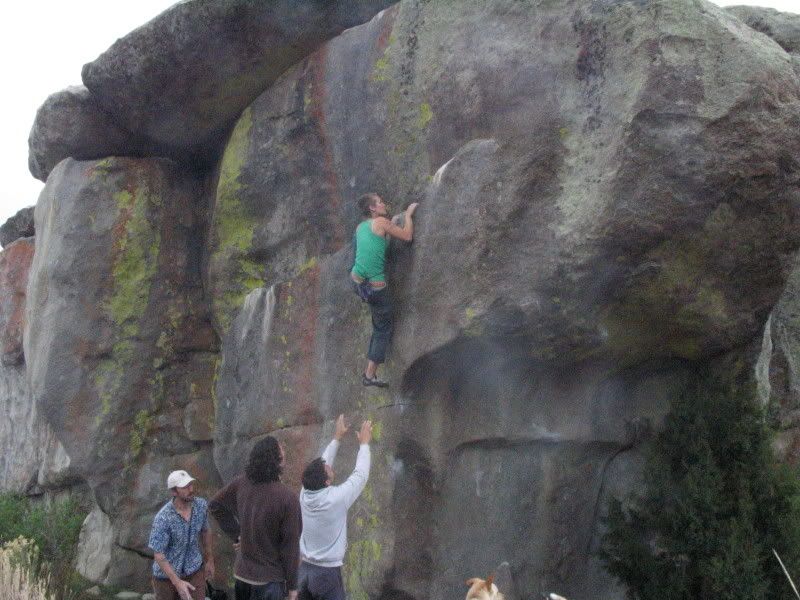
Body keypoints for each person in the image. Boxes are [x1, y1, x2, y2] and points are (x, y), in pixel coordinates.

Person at [209, 436, 302, 600]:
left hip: (242, 577)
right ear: (275, 459)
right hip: (270, 582)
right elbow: (290, 547)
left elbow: (215, 505)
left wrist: (237, 534)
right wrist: (293, 587)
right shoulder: (288, 498)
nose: (285, 453)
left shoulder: (241, 483)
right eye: (282, 450)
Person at [297, 415, 373, 600]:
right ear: (326, 481)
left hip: (304, 571)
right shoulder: (335, 500)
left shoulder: (304, 494)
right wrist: (364, 444)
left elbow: (322, 464)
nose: (330, 467)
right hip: (327, 575)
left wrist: (337, 438)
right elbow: (360, 475)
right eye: (328, 470)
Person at [351, 193, 419, 387]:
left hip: (357, 282)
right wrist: (408, 215)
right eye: (380, 202)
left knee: (378, 321)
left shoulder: (360, 227)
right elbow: (407, 236)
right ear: (373, 208)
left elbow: (367, 249)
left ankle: (369, 373)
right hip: (376, 288)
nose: (383, 203)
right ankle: (369, 376)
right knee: (382, 329)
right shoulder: (381, 222)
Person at [148, 470, 215, 600]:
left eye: (191, 484)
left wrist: (210, 560)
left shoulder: (200, 505)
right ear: (174, 492)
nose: (190, 489)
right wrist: (177, 583)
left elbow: (205, 530)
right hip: (166, 577)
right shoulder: (163, 518)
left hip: (194, 569)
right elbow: (158, 554)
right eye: (185, 487)